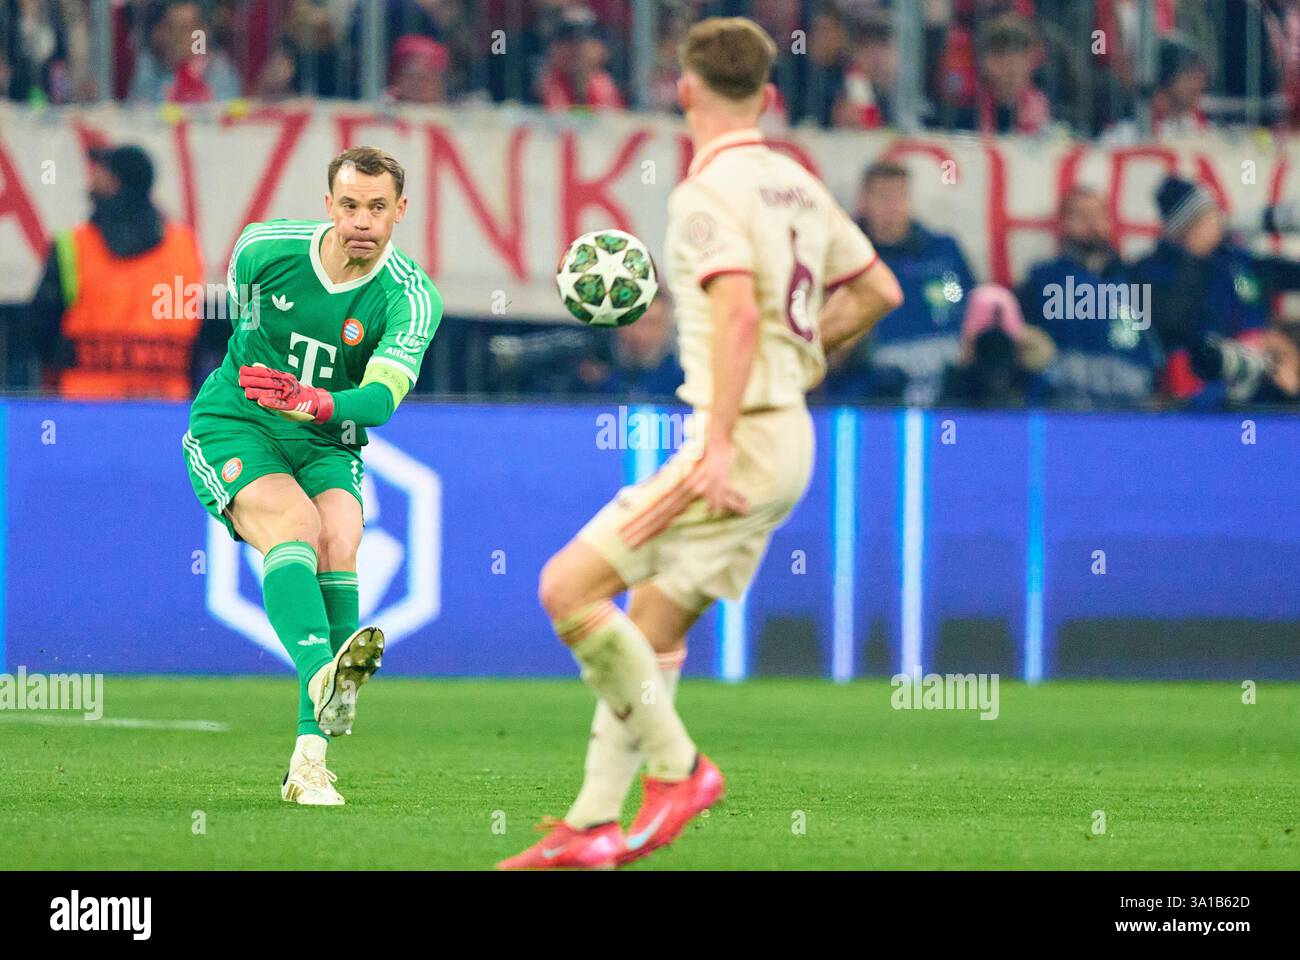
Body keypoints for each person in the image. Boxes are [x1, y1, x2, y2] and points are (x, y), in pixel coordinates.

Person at [499, 16, 902, 870]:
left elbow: (740, 313)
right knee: (646, 633)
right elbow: (876, 288)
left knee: (567, 589)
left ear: (683, 90)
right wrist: (804, 360)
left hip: (742, 438)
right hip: (785, 433)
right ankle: (592, 823)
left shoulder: (704, 193)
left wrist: (716, 440)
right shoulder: (795, 182)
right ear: (767, 94)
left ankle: (681, 772)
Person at [181, 146, 443, 805]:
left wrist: (316, 401)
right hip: (238, 423)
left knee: (343, 536)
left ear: (399, 212)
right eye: (350, 205)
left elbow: (380, 399)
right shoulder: (264, 250)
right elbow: (241, 323)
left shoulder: (409, 297)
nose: (362, 220)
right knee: (296, 524)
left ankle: (308, 764)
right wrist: (281, 397)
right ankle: (323, 677)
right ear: (329, 205)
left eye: (377, 208)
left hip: (327, 435)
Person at [24, 143, 203, 399]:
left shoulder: (74, 245)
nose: (93, 177)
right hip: (165, 405)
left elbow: (41, 325)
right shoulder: (185, 245)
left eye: (101, 171)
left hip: (85, 404)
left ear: (115, 182)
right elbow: (198, 330)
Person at [1132, 175, 1300, 404]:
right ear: (1186, 225)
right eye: (1206, 216)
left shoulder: (1237, 262)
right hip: (1197, 392)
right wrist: (1194, 258)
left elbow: (1288, 275)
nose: (1218, 221)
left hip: (1260, 380)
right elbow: (1171, 324)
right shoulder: (1152, 270)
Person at [826, 160, 974, 404]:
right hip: (874, 391)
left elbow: (971, 308)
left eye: (899, 197)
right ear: (864, 202)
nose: (892, 207)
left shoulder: (943, 253)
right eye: (883, 197)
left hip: (949, 387)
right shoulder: (843, 259)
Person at [1019, 187, 1162, 407]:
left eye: (1098, 215)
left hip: (1128, 410)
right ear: (1064, 223)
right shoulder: (1043, 279)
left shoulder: (1133, 277)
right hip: (1064, 409)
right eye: (1081, 215)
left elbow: (1152, 349)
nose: (1092, 223)